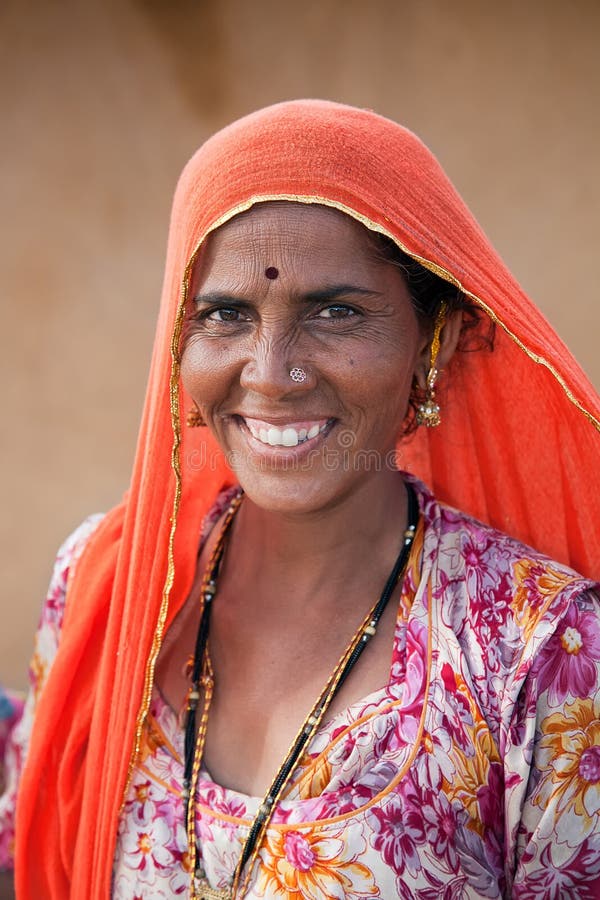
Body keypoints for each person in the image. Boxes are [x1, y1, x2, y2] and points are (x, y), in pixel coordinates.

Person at [2, 100, 599, 899]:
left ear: (438, 340)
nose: (272, 375)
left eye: (335, 312)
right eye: (225, 314)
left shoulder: (542, 656)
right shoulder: (104, 589)